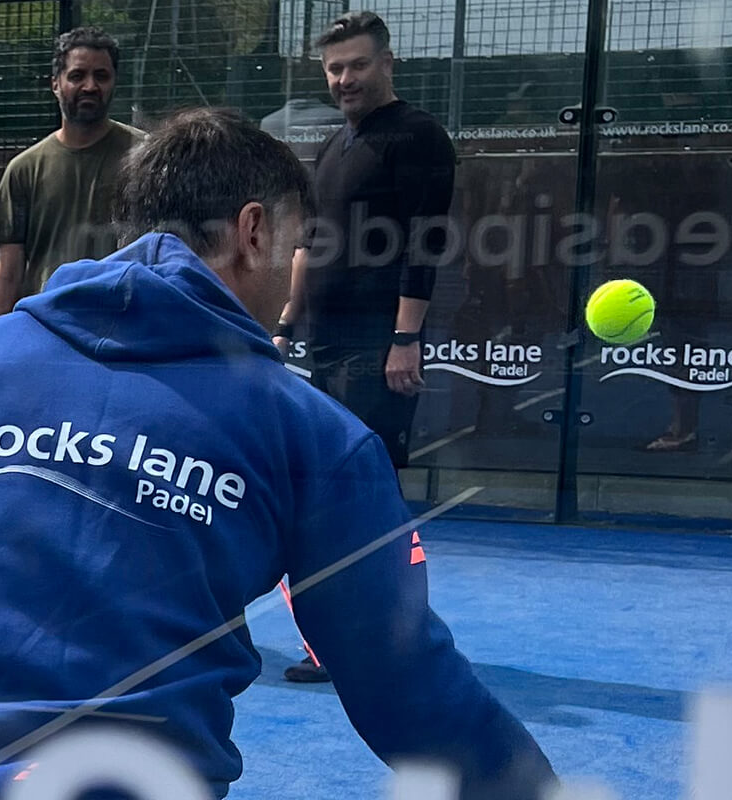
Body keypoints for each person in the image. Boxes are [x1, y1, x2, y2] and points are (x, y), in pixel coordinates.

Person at [0, 107, 554, 799]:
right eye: (300, 243)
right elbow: (414, 699)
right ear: (253, 233)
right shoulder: (316, 438)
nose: (298, 272)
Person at [273, 10, 457, 683]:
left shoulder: (418, 137)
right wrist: (285, 325)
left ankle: (377, 635)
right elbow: (309, 245)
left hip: (378, 347)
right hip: (323, 344)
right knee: (333, 495)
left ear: (387, 63)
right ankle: (353, 632)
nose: (345, 78)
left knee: (362, 496)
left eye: (357, 65)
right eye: (334, 68)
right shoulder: (333, 146)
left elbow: (425, 242)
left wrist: (404, 337)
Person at [0, 26, 144, 317]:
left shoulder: (146, 156)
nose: (90, 86)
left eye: (102, 76)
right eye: (77, 75)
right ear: (55, 84)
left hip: (125, 319)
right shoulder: (25, 169)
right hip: (48, 322)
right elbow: (8, 270)